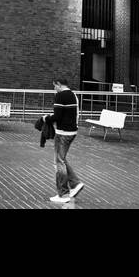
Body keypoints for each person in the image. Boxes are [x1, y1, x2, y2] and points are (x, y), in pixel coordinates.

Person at [48, 74, 84, 206]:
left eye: (54, 86)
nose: (54, 89)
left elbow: (57, 116)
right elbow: (76, 114)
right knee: (62, 159)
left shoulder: (60, 96)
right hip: (72, 131)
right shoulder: (74, 95)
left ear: (58, 84)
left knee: (59, 162)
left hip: (62, 132)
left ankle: (63, 194)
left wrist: (45, 119)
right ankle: (76, 183)